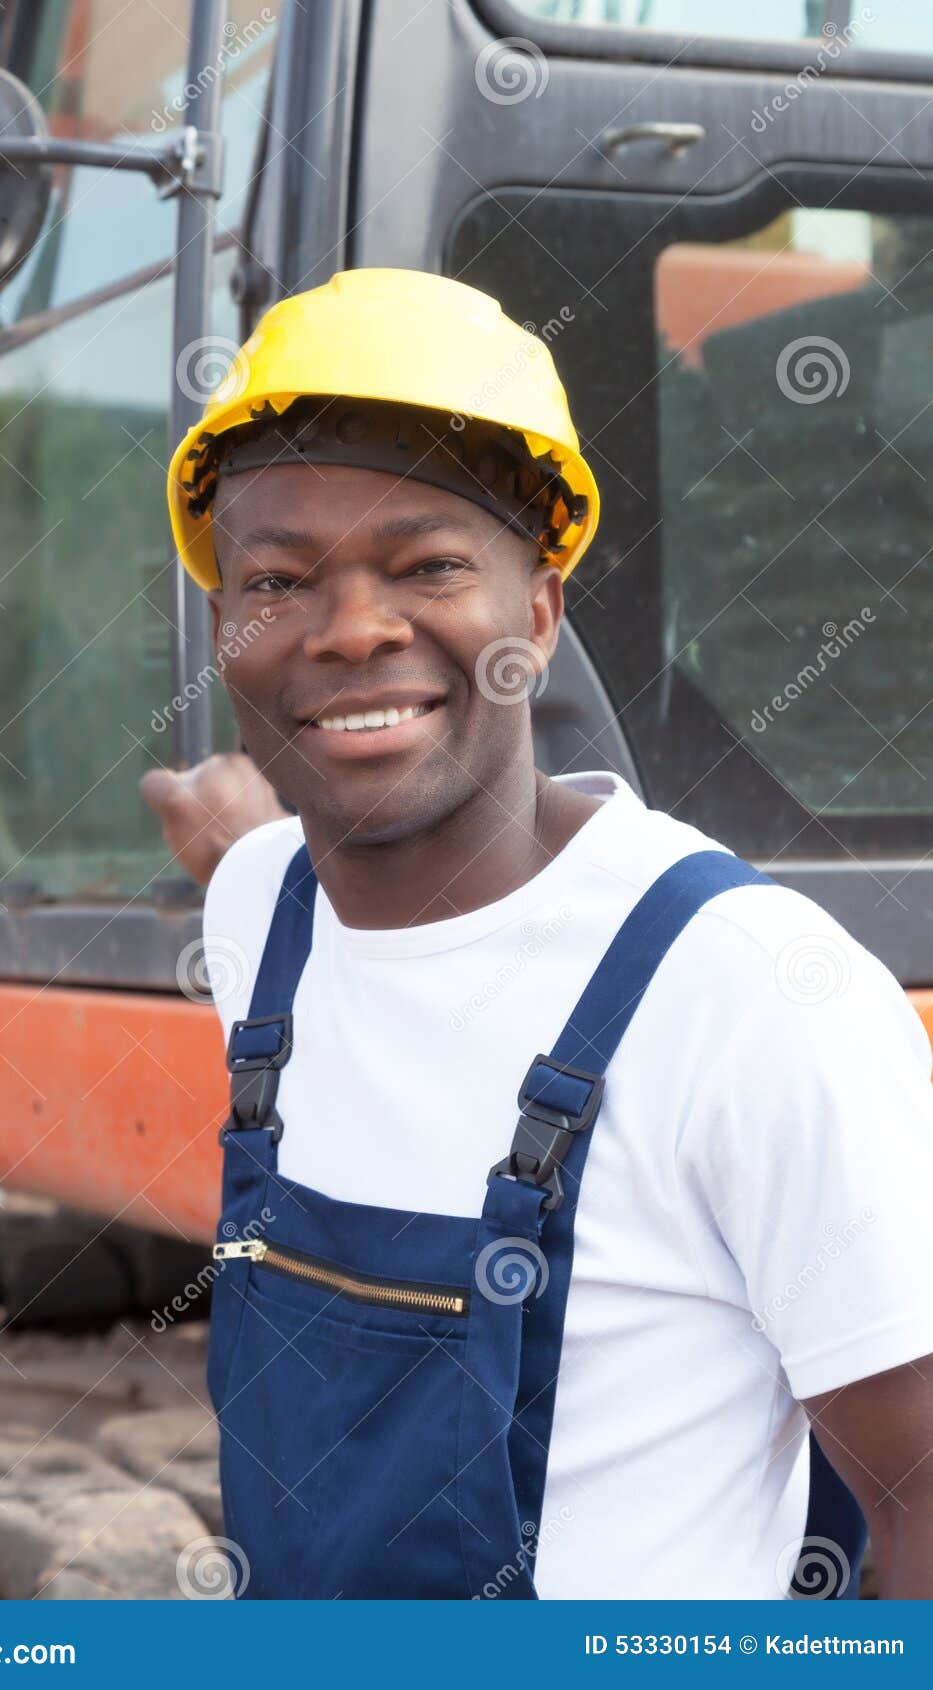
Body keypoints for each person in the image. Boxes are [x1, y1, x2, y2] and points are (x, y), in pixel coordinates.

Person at [141, 268, 933, 1601]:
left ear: (540, 611)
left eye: (427, 565)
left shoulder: (747, 994)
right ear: (226, 633)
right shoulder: (254, 915)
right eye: (277, 580)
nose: (352, 630)